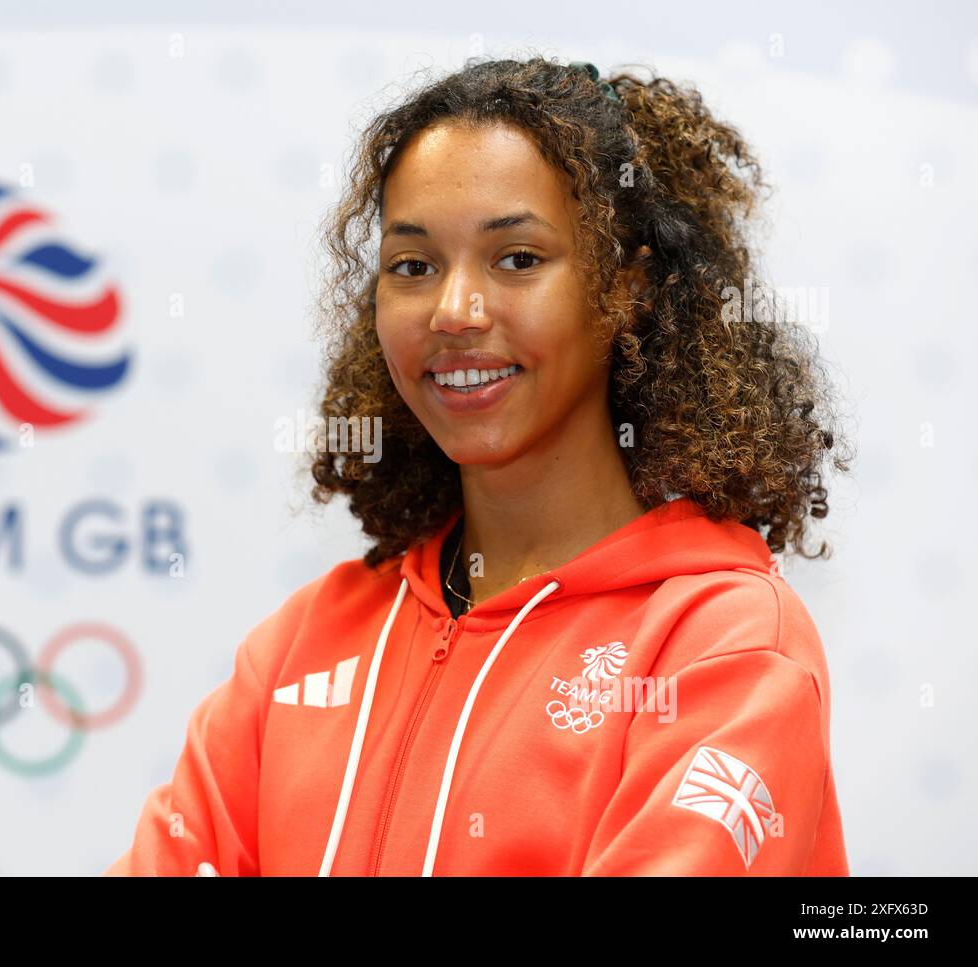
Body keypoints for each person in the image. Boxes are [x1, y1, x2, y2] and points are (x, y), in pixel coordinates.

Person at [105, 56, 853, 876]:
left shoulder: (723, 645)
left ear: (627, 288)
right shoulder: (304, 645)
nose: (455, 312)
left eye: (518, 259)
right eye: (414, 267)